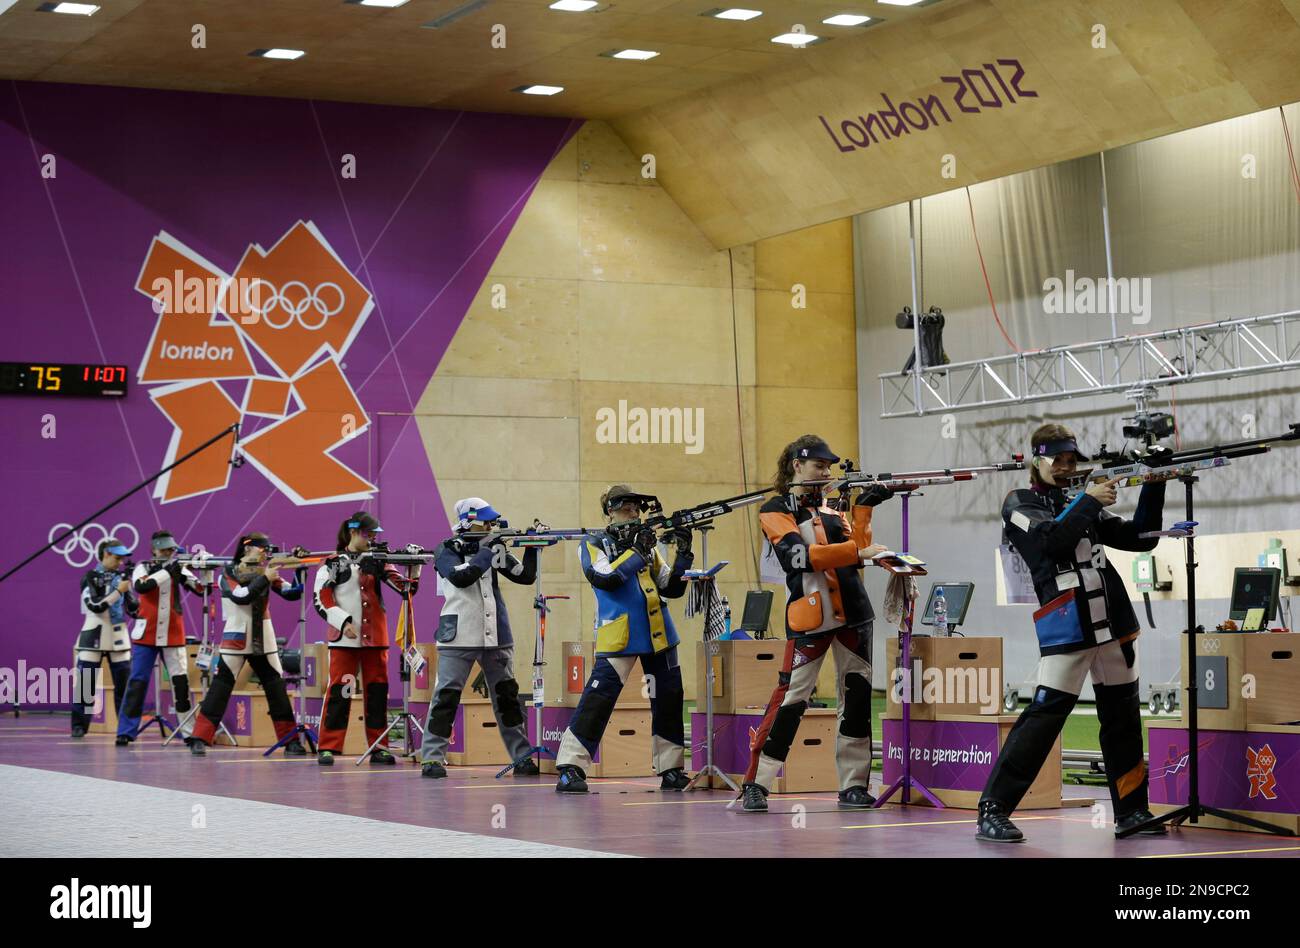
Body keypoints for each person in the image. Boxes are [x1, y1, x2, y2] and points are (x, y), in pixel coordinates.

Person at [977, 423, 1167, 842]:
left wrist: (1154, 484)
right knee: (1043, 720)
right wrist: (1087, 499)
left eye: (1071, 461)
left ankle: (1132, 811)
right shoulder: (1020, 503)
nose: (1065, 468)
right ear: (1036, 461)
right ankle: (993, 808)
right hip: (1068, 626)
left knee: (1122, 721)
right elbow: (1053, 543)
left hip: (1114, 626)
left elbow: (1141, 539)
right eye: (1057, 460)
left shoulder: (1083, 502)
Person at [740, 435, 891, 812]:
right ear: (796, 465)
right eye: (819, 466)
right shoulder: (775, 509)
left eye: (828, 467)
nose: (825, 473)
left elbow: (857, 549)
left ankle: (854, 784)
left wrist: (864, 510)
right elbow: (799, 557)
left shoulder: (829, 507)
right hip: (810, 617)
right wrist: (856, 550)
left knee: (856, 700)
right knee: (791, 700)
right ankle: (756, 784)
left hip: (854, 612)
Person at [554, 485, 693, 792]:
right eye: (627, 507)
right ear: (610, 511)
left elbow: (671, 586)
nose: (634, 512)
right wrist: (638, 551)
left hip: (660, 634)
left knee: (669, 698)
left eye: (636, 508)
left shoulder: (646, 546)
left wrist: (684, 554)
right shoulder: (594, 543)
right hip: (620, 634)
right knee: (598, 698)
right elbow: (606, 578)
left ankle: (671, 769)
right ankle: (570, 766)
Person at [419, 498, 540, 779]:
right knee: (446, 697)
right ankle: (432, 758)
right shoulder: (447, 549)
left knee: (507, 699)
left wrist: (533, 545)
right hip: (459, 634)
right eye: (484, 521)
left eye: (490, 521)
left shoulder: (491, 547)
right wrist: (487, 551)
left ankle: (521, 757)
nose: (489, 525)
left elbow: (525, 576)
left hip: (496, 633)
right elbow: (462, 577)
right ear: (466, 522)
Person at [312, 512, 419, 766]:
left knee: (377, 693)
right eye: (367, 533)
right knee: (340, 692)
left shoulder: (379, 560)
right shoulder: (333, 562)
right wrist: (343, 621)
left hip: (375, 640)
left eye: (374, 533)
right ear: (352, 532)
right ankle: (328, 746)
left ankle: (379, 745)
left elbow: (406, 589)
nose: (372, 537)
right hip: (345, 640)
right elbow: (321, 598)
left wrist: (412, 566)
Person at [187, 533, 308, 756]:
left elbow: (292, 593)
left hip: (264, 638)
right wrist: (266, 578)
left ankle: (290, 740)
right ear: (247, 549)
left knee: (277, 689)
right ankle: (200, 737)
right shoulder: (228, 573)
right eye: (261, 548)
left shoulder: (265, 571)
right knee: (220, 688)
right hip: (237, 637)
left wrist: (300, 570)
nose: (264, 553)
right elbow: (241, 596)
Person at [116, 530, 203, 745]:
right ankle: (125, 731)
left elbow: (201, 589)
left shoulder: (178, 567)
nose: (167, 552)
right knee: (137, 682)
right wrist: (168, 571)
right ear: (154, 549)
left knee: (180, 683)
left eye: (170, 549)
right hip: (146, 633)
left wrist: (202, 568)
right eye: (163, 549)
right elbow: (142, 586)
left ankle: (188, 732)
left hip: (173, 634)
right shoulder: (142, 567)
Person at [71, 537, 135, 738]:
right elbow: (95, 605)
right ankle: (79, 726)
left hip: (118, 635)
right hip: (94, 633)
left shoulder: (122, 578)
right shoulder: (89, 576)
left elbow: (132, 608)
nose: (120, 563)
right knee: (86, 686)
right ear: (105, 554)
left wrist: (136, 593)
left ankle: (125, 729)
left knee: (124, 687)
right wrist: (118, 591)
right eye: (117, 558)